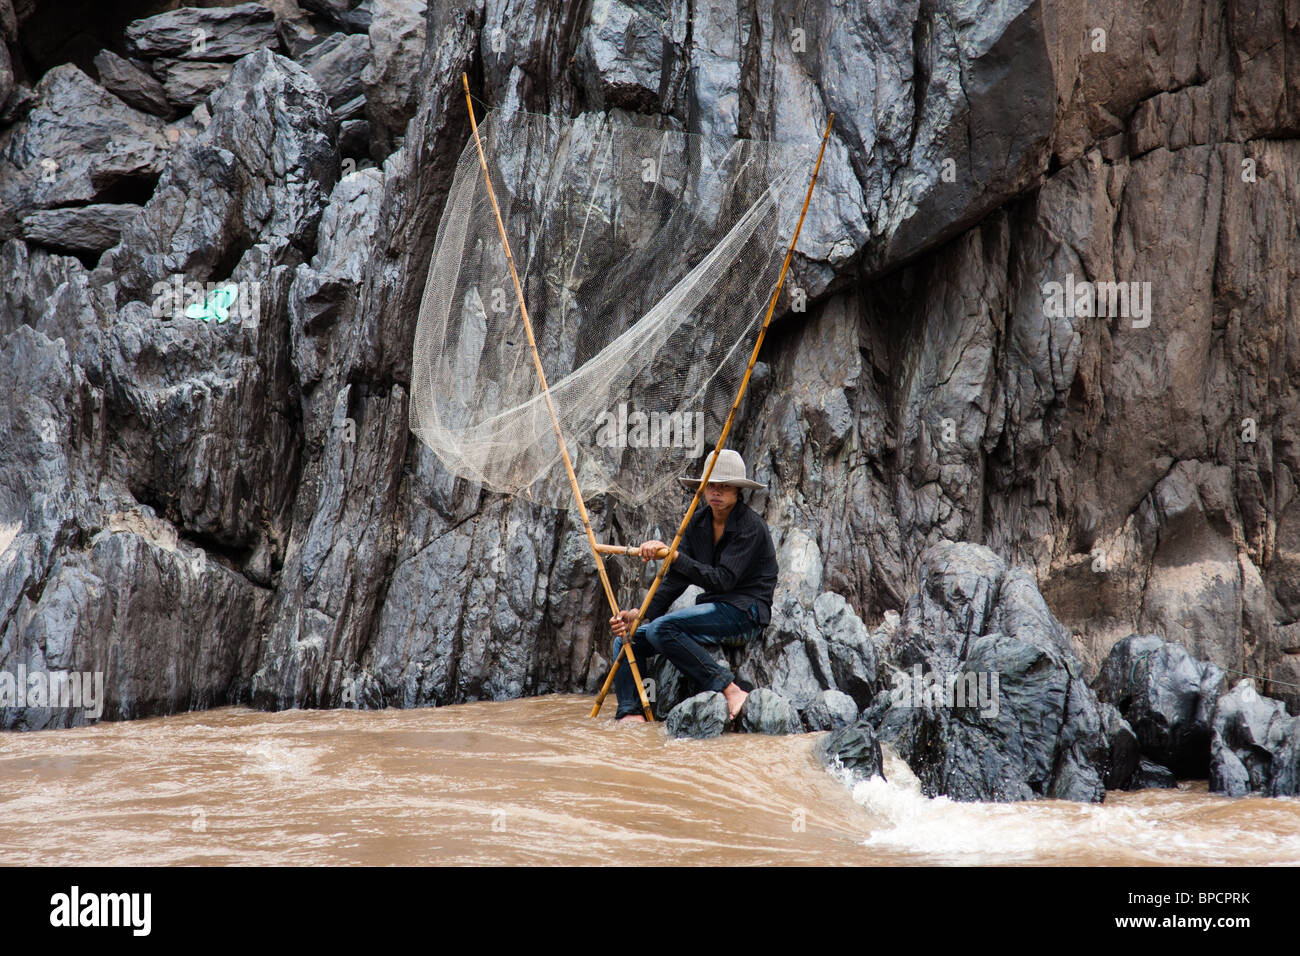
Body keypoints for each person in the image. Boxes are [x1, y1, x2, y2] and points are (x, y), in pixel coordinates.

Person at [609, 449, 779, 723]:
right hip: (714, 608)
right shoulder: (697, 522)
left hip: (745, 611)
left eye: (724, 487)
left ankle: (730, 689)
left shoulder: (751, 527)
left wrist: (674, 555)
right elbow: (676, 579)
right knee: (626, 640)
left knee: (664, 629)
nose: (716, 492)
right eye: (711, 485)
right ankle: (631, 712)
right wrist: (639, 614)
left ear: (738, 492)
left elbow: (723, 580)